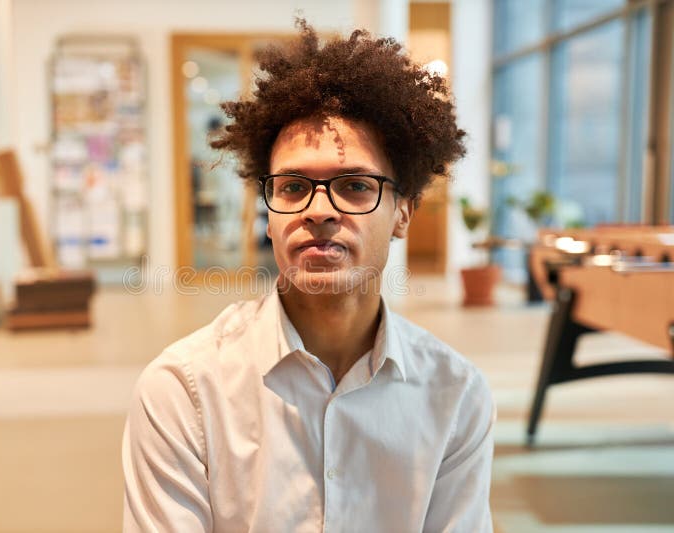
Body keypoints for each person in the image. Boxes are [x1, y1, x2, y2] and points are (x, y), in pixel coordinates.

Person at [123, 20, 495, 532]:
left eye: (356, 186)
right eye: (294, 186)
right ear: (270, 213)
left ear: (404, 212)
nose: (319, 210)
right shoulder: (184, 391)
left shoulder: (455, 396)